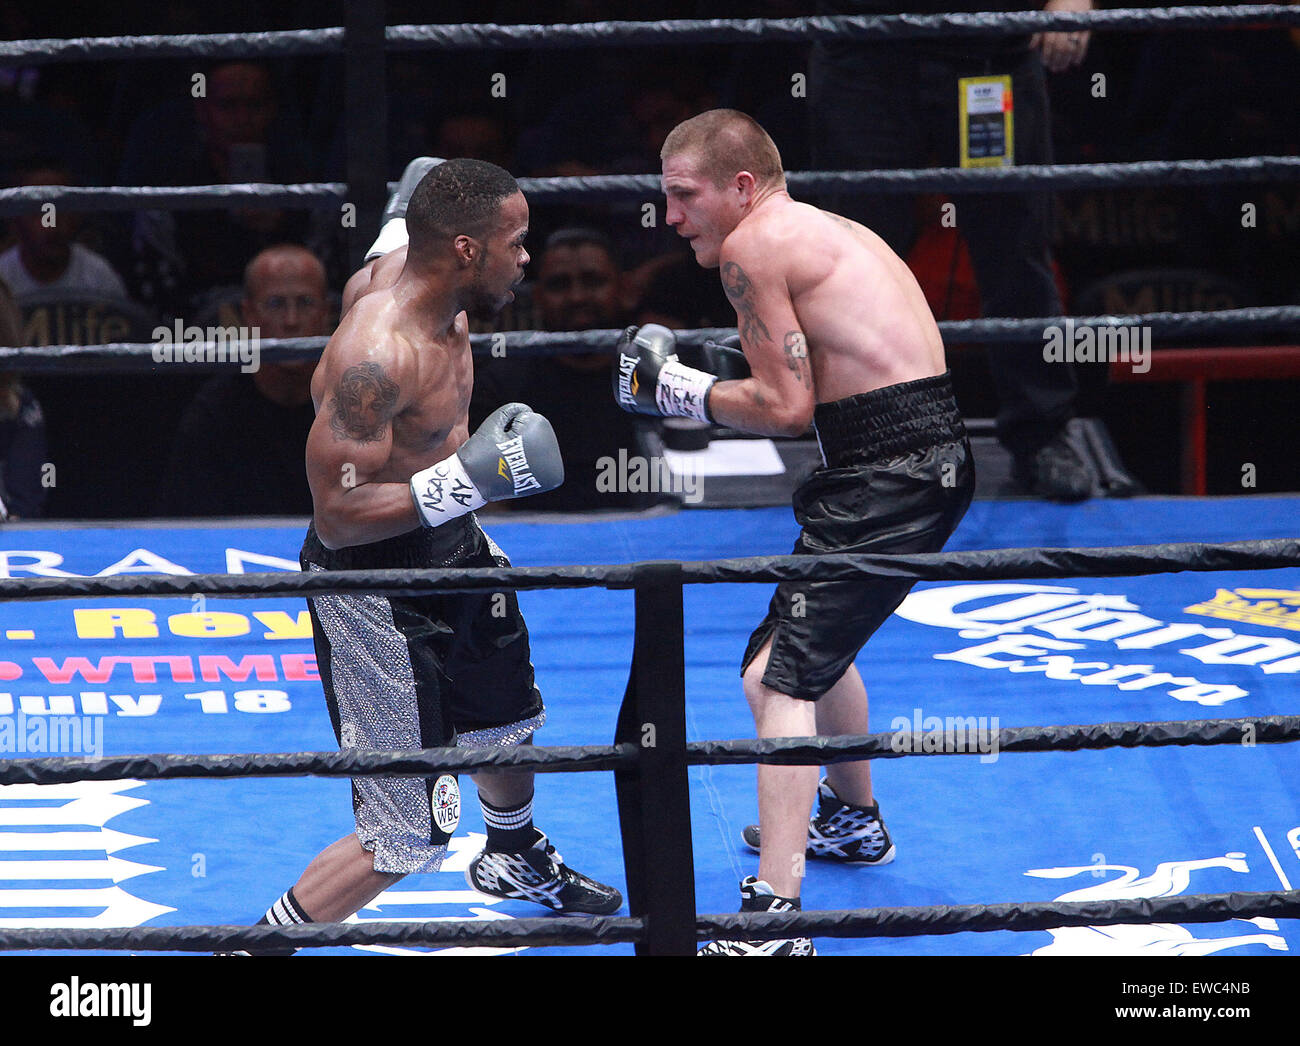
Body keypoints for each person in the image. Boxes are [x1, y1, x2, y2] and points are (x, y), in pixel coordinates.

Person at [233, 158, 620, 953]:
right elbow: (337, 515)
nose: (529, 258)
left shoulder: (436, 283)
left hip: (458, 551)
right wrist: (468, 480)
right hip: (376, 589)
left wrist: (416, 184)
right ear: (469, 249)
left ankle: (513, 856)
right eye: (517, 243)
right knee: (407, 834)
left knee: (508, 720)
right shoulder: (375, 356)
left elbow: (397, 226)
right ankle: (249, 949)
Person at [615, 110, 975, 955]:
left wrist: (676, 391)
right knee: (821, 645)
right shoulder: (819, 225)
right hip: (908, 461)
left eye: (682, 195)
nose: (669, 218)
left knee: (774, 676)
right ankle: (853, 819)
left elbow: (786, 408)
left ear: (741, 187)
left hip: (891, 471)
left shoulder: (752, 248)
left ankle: (777, 913)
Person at [807, 0, 1101, 500]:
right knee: (848, 255)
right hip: (864, 47)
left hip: (989, 48)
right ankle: (853, 443)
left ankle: (1042, 436)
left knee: (1016, 247)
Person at [472, 226, 656, 512]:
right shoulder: (501, 385)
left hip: (649, 537)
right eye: (560, 284)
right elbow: (487, 503)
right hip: (540, 547)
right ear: (539, 297)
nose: (577, 297)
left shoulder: (653, 378)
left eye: (593, 281)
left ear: (625, 289)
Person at [153, 244, 327, 517]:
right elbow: (187, 526)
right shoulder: (213, 414)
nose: (291, 321)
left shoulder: (351, 404)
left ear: (325, 313)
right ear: (248, 314)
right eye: (275, 304)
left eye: (305, 303)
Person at [0, 161, 129, 300]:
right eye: (39, 210)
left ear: (76, 215)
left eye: (60, 208)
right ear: (15, 220)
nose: (51, 224)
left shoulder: (98, 276)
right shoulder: (3, 277)